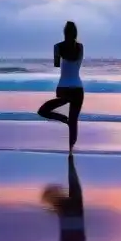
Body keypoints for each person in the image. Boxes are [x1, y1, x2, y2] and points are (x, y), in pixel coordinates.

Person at [37, 21, 84, 153]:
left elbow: (57, 64)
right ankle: (71, 151)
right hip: (78, 89)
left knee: (43, 111)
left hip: (63, 88)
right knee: (74, 122)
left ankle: (63, 119)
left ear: (64, 33)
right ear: (76, 33)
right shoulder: (80, 47)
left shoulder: (57, 47)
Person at [41, 153, 87, 241]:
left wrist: (59, 211)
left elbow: (68, 229)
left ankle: (71, 161)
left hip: (73, 212)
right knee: (74, 183)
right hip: (72, 212)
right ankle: (70, 161)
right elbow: (66, 229)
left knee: (74, 183)